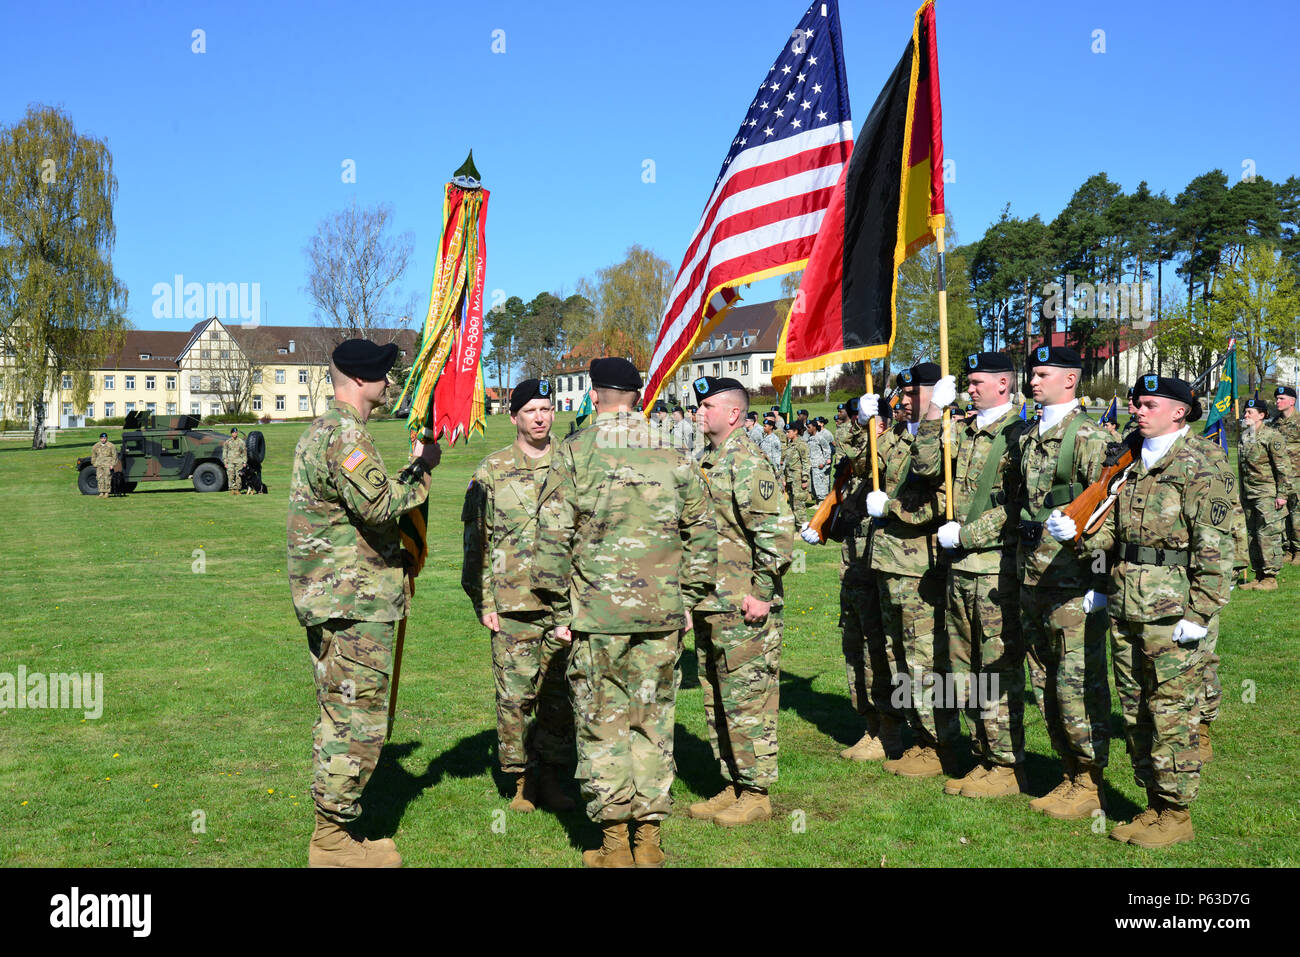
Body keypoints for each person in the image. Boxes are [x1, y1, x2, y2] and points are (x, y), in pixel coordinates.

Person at [532, 357, 716, 868]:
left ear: (594, 394)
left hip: (596, 618)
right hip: (659, 614)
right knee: (653, 722)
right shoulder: (672, 451)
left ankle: (615, 845)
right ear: (637, 395)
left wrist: (558, 611)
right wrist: (688, 598)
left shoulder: (574, 451)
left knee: (603, 726)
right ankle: (648, 841)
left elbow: (550, 537)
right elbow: (702, 531)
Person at [1047, 374, 1233, 847]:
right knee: (1135, 712)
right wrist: (1081, 534)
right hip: (1126, 603)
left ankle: (1176, 812)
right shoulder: (1129, 463)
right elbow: (1119, 534)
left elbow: (1216, 551)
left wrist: (1201, 613)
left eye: (1149, 404)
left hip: (1173, 612)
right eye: (1137, 404)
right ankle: (1153, 803)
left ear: (1179, 411)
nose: (1138, 411)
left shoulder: (1199, 465)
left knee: (1171, 712)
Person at [288, 337, 441, 868]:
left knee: (341, 715)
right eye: (382, 373)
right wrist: (422, 471)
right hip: (353, 602)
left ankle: (334, 833)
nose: (389, 381)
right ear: (358, 380)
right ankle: (332, 842)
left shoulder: (325, 431)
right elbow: (379, 505)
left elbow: (366, 500)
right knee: (356, 721)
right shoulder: (345, 437)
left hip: (340, 598)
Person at [911, 353, 1030, 797]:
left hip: (995, 568)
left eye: (979, 382)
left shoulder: (1020, 435)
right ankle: (984, 756)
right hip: (957, 569)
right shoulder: (958, 429)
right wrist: (931, 413)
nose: (970, 388)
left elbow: (1020, 504)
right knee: (964, 669)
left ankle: (1006, 764)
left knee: (996, 667)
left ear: (1003, 384)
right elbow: (923, 467)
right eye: (968, 382)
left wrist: (969, 533)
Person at [462, 378, 575, 814]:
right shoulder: (491, 471)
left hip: (563, 604)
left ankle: (551, 776)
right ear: (514, 417)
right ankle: (521, 780)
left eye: (547, 408)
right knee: (514, 698)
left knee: (559, 697)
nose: (541, 417)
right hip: (511, 605)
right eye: (531, 410)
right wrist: (484, 601)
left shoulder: (571, 466)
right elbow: (477, 543)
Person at [687, 376, 794, 826]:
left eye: (707, 406)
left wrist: (763, 593)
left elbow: (776, 535)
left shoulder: (749, 463)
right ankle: (731, 781)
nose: (699, 413)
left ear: (733, 413)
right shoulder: (709, 460)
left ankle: (756, 792)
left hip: (743, 606)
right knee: (718, 698)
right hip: (712, 603)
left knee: (749, 701)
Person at [1014, 345, 1112, 820]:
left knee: (1078, 684)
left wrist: (1101, 580)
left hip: (1073, 581)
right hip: (1034, 576)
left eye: (1043, 374)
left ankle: (1090, 781)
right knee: (1045, 682)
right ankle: (1068, 772)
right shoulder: (1032, 435)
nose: (1033, 380)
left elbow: (1107, 511)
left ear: (1070, 380)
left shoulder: (1089, 437)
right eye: (1032, 373)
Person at [858, 361, 956, 776]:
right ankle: (912, 735)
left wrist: (894, 508)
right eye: (904, 393)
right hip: (887, 562)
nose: (905, 400)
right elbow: (862, 468)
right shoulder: (896, 435)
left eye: (915, 393)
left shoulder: (951, 435)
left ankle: (938, 744)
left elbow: (943, 497)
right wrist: (863, 424)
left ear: (934, 394)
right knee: (897, 655)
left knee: (925, 659)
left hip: (922, 564)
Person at [833, 409, 899, 760]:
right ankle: (869, 724)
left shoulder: (889, 452)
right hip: (853, 564)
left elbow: (874, 459)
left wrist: (869, 430)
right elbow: (846, 449)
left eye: (869, 421)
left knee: (878, 647)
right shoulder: (860, 461)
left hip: (877, 564)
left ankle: (888, 729)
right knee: (854, 645)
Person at [1236, 397, 1294, 591]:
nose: (1246, 415)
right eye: (1245, 412)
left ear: (1262, 415)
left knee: (1268, 534)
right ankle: (1258, 574)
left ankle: (1270, 577)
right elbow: (1242, 468)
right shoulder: (1245, 436)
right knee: (1252, 535)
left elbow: (1283, 467)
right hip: (1249, 494)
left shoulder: (1272, 436)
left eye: (1250, 413)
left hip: (1267, 493)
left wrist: (1282, 494)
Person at [1270, 386, 1300, 563]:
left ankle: (1299, 549)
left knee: (1297, 514)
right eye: (1276, 399)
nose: (1277, 402)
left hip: (1297, 474)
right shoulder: (1275, 423)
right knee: (1283, 513)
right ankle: (1287, 547)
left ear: (1292, 401)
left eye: (1281, 398)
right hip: (1280, 476)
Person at [782, 421, 811, 524]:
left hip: (798, 479)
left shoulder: (801, 444)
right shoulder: (790, 445)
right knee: (792, 504)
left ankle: (802, 528)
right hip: (790, 478)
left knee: (799, 505)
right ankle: (795, 525)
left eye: (788, 432)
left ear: (795, 432)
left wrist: (805, 479)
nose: (787, 434)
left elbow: (806, 462)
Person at [91, 431, 116, 499]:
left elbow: (114, 456)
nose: (103, 439)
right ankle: (101, 492)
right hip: (99, 464)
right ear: (100, 439)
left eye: (105, 438)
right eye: (102, 438)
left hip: (108, 464)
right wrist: (94, 463)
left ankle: (107, 492)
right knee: (99, 478)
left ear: (107, 438)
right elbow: (93, 455)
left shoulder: (111, 446)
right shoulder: (96, 446)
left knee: (107, 478)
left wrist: (112, 464)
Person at [224, 427, 248, 495]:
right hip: (230, 461)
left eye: (236, 432)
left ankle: (237, 489)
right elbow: (225, 452)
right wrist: (225, 462)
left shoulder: (241, 442)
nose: (235, 434)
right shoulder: (227, 442)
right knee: (230, 475)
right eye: (233, 432)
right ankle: (232, 489)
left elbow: (244, 452)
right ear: (231, 433)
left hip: (239, 461)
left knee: (238, 476)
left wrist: (244, 462)